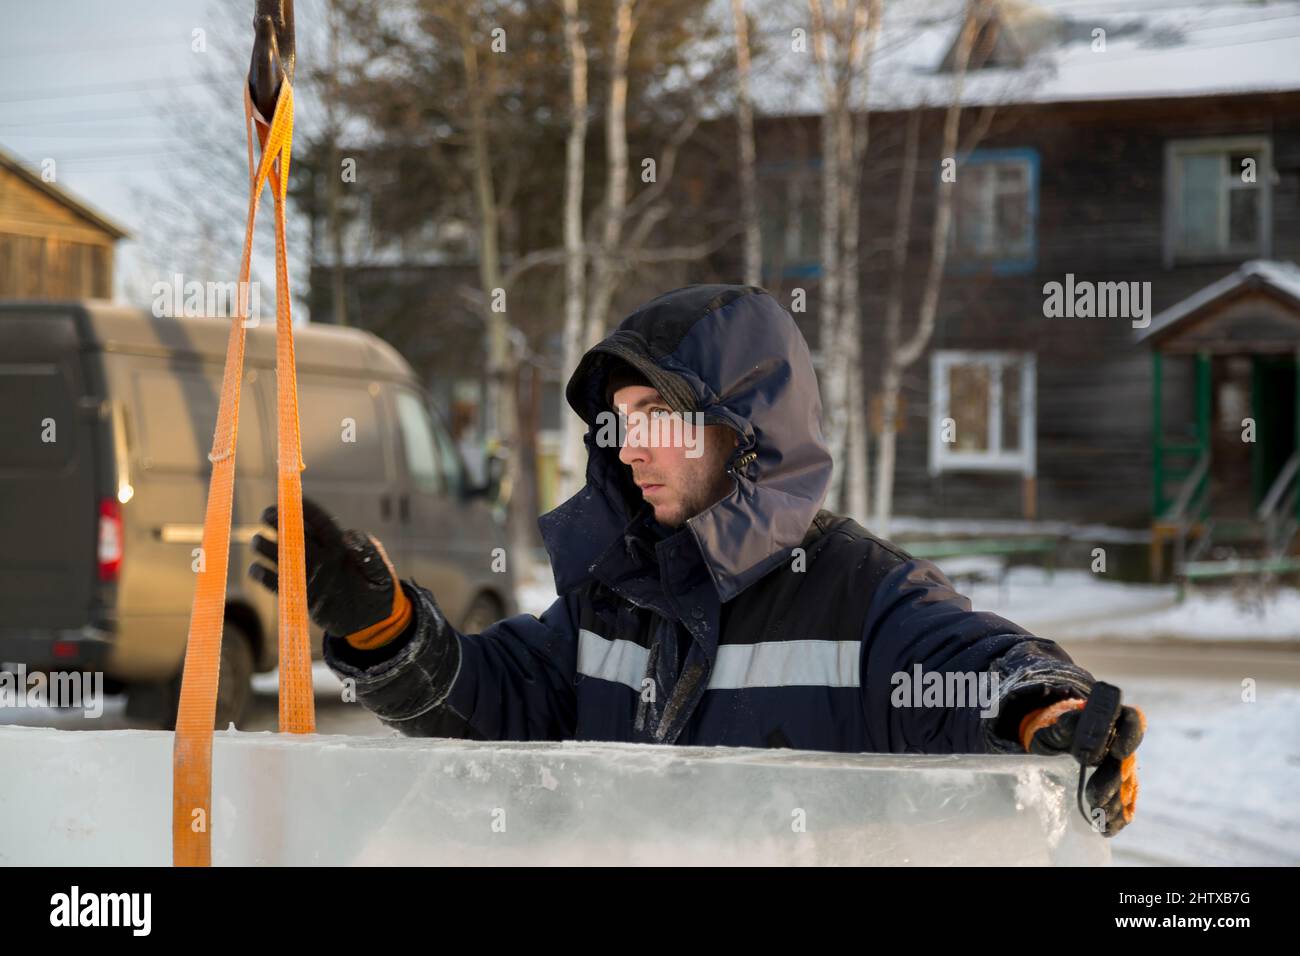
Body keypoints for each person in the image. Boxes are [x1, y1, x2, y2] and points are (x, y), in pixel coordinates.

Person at [249, 284, 1145, 836]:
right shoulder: (619, 596)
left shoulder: (858, 592)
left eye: (659, 421)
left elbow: (972, 664)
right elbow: (495, 701)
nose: (631, 448)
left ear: (746, 431)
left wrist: (1045, 711)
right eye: (624, 424)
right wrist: (384, 627)